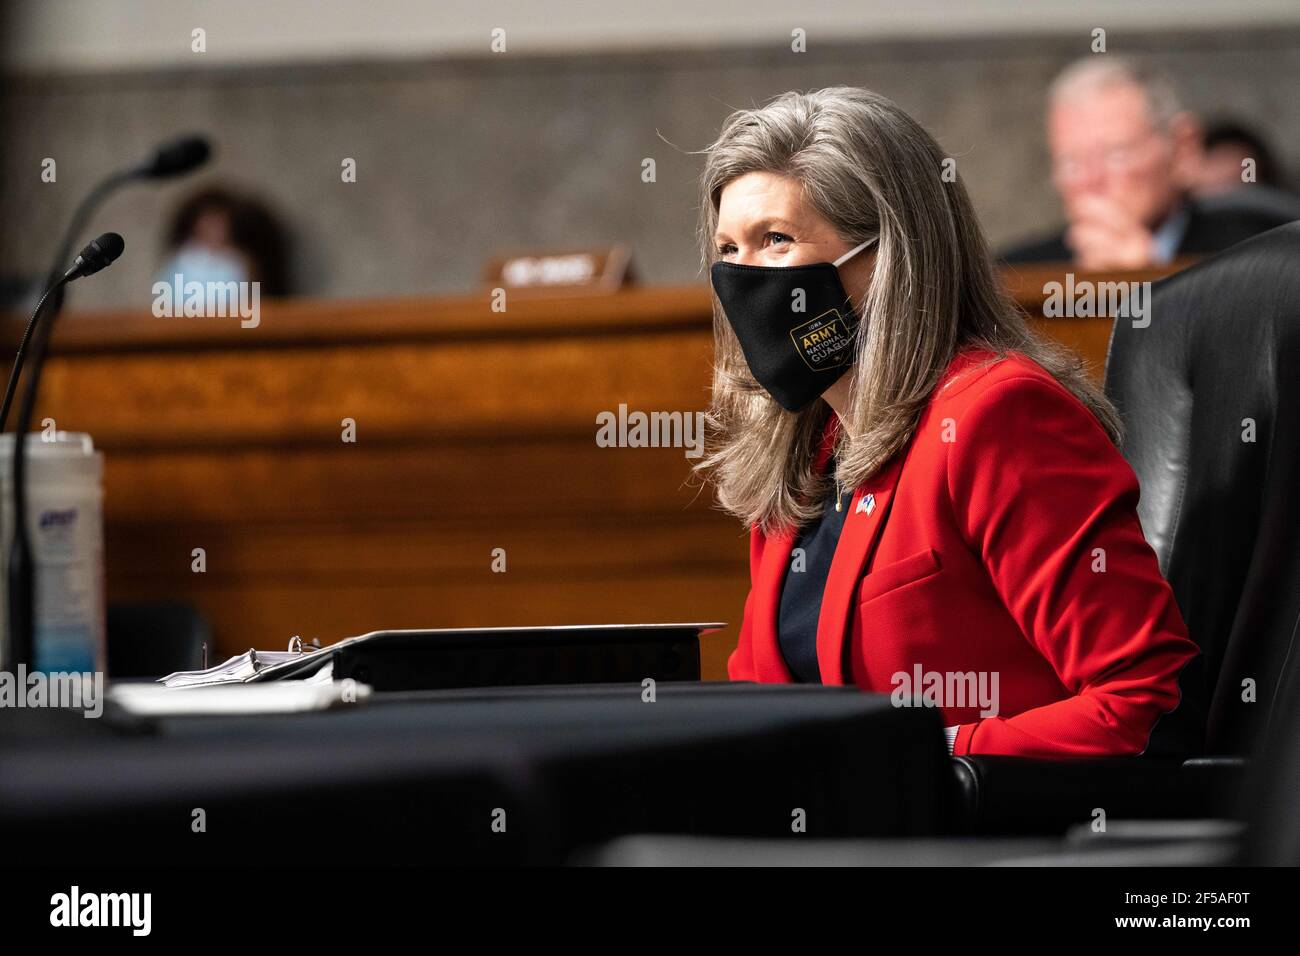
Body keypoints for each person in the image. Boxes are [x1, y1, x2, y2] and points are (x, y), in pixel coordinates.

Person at [696, 86, 1201, 759]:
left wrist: (929, 759)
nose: (740, 279)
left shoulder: (999, 415)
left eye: (775, 240)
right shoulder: (801, 451)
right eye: (729, 249)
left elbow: (1140, 701)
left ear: (888, 258)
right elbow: (765, 708)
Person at [1002, 57, 1295, 268]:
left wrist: (1149, 281)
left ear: (1183, 150)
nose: (1091, 180)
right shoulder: (1016, 276)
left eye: (1115, 154)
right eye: (1071, 163)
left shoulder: (1258, 259)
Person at [158, 185, 291, 295]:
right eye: (208, 223)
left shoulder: (240, 261)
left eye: (219, 223)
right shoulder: (182, 260)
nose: (213, 230)